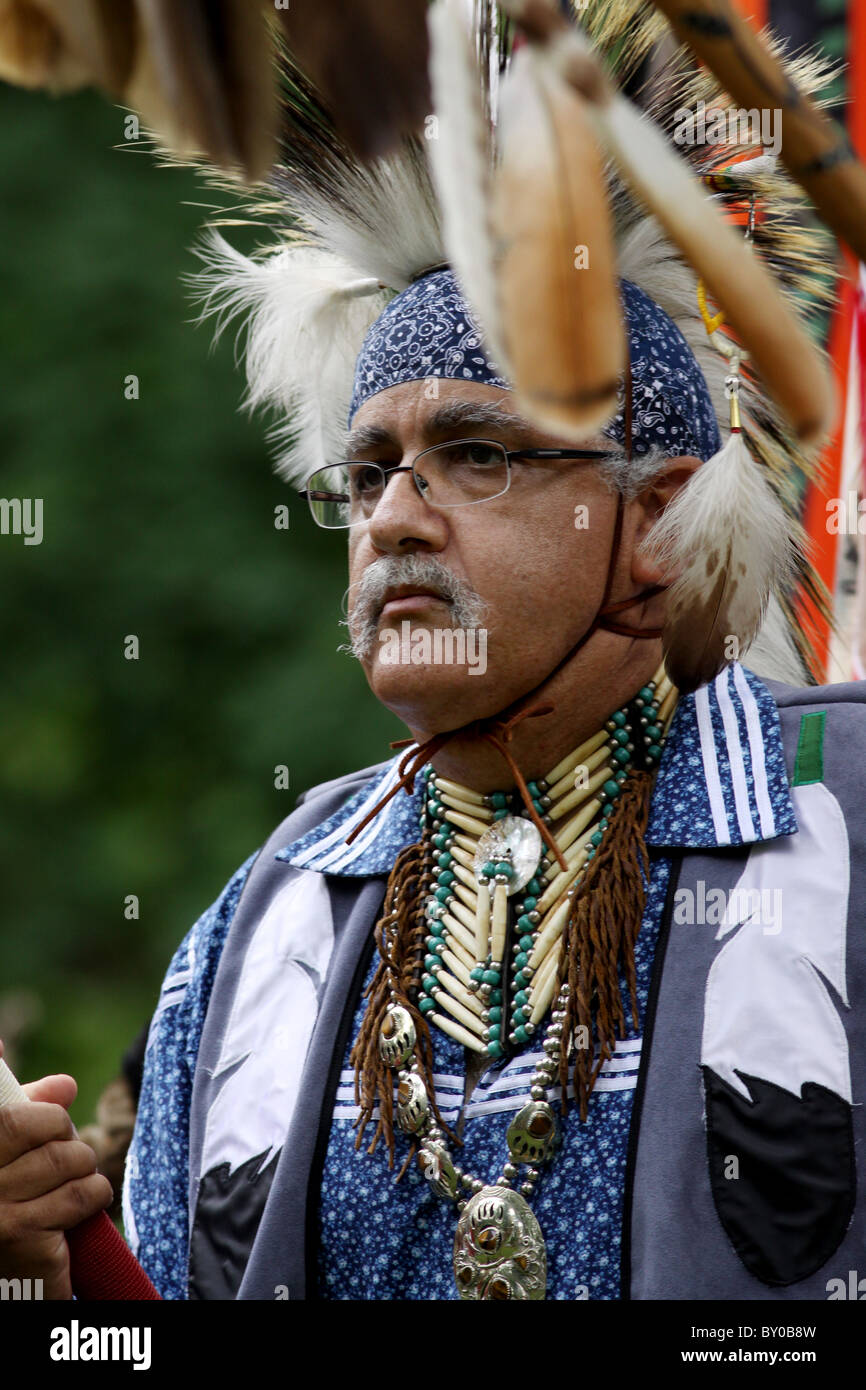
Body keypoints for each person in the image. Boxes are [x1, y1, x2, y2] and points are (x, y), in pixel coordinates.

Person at [1, 4, 861, 1302]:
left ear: (656, 528)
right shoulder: (263, 921)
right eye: (366, 473)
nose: (393, 514)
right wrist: (39, 1284)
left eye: (478, 454)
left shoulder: (837, 824)